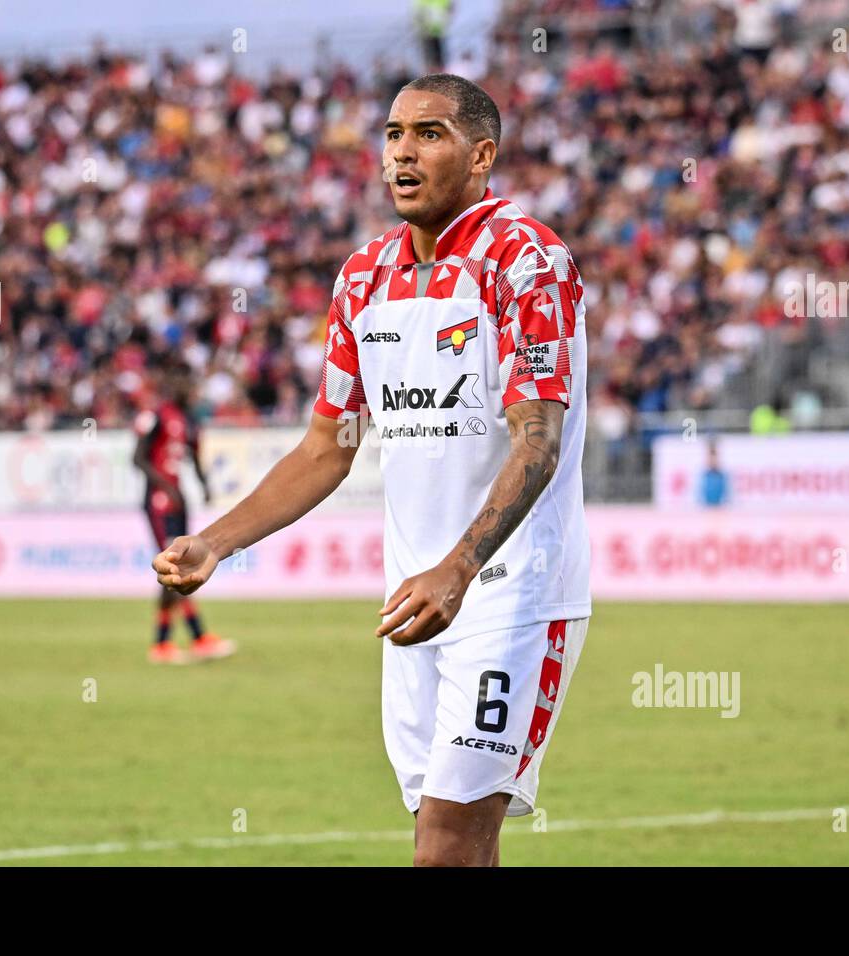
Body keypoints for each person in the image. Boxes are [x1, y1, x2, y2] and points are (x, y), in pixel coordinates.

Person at [152, 74, 590, 866]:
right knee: (448, 837)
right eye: (393, 134)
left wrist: (458, 568)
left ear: (482, 154)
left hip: (510, 592)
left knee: (447, 845)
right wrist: (216, 542)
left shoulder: (527, 261)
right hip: (413, 605)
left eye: (429, 133)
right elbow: (328, 446)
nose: (402, 153)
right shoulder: (363, 277)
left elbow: (537, 440)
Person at [133, 360, 235, 664]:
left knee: (182, 566)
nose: (186, 389)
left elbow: (193, 454)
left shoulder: (187, 419)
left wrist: (203, 484)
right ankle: (181, 640)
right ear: (171, 385)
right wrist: (166, 486)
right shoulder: (155, 415)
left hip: (178, 501)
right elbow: (137, 458)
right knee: (173, 568)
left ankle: (178, 641)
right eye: (181, 383)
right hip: (159, 503)